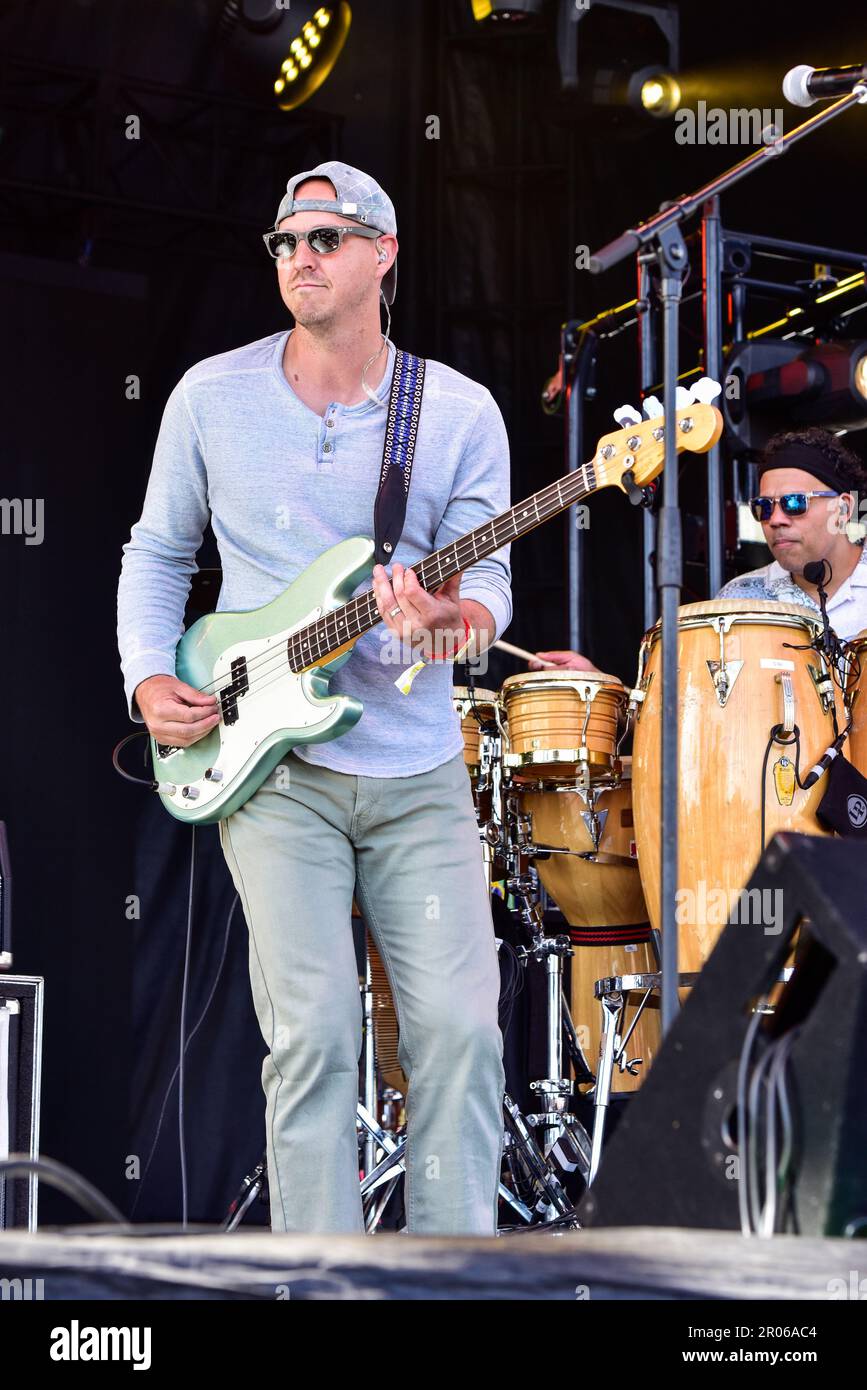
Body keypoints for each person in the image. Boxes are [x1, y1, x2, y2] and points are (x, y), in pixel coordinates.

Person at [117, 162, 513, 1235]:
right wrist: (150, 673)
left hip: (416, 768)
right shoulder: (211, 394)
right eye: (287, 241)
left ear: (382, 254)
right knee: (316, 1035)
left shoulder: (457, 410)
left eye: (327, 238)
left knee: (462, 1035)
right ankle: (320, 1285)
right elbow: (158, 553)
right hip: (273, 766)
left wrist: (445, 623)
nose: (301, 256)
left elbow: (487, 592)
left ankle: (449, 1279)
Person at [531, 426, 867, 670]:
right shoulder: (739, 599)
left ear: (843, 509)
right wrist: (599, 688)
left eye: (794, 503)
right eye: (764, 507)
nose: (775, 519)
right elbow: (695, 716)